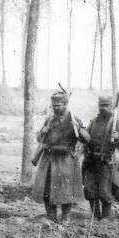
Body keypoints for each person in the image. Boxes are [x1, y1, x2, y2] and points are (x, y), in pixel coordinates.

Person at [30, 90, 89, 224]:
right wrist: (43, 131)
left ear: (65, 104)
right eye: (54, 105)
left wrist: (78, 129)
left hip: (65, 159)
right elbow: (40, 138)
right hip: (48, 159)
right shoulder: (49, 119)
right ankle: (51, 216)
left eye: (59, 105)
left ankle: (65, 217)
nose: (56, 108)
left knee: (66, 190)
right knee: (46, 189)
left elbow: (87, 139)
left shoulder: (74, 119)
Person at [82, 95, 119, 220]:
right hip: (91, 161)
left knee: (105, 191)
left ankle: (105, 217)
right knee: (90, 189)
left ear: (110, 106)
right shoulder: (93, 122)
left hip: (106, 162)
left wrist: (117, 138)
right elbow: (86, 138)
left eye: (106, 105)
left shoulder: (116, 123)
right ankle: (95, 215)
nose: (103, 108)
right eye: (101, 105)